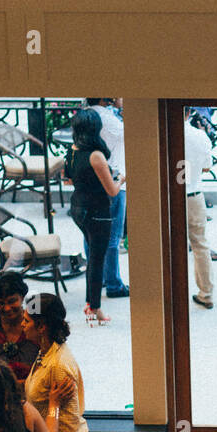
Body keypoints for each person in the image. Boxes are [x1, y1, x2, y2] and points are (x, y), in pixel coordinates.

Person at [22, 292, 93, 432]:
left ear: (42, 327)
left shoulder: (59, 366)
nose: (22, 325)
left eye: (26, 321)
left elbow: (70, 421)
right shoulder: (44, 352)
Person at [65, 107, 122, 325]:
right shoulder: (96, 156)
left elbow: (68, 179)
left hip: (78, 208)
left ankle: (90, 302)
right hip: (98, 211)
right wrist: (122, 179)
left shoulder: (71, 151)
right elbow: (112, 191)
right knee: (97, 260)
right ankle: (95, 308)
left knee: (93, 258)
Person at [84, 98, 129, 299]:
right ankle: (113, 283)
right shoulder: (108, 119)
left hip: (91, 183)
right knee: (112, 235)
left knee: (91, 234)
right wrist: (125, 108)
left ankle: (99, 277)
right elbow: (135, 133)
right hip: (112, 180)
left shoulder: (86, 116)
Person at [185, 108, 216, 309]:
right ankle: (206, 293)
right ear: (188, 113)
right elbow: (207, 167)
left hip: (168, 196)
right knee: (200, 245)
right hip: (194, 195)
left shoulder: (162, 133)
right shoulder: (200, 136)